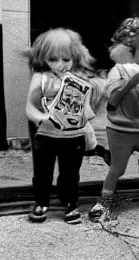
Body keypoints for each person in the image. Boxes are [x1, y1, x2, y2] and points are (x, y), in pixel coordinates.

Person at [88, 17, 139, 221]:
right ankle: (106, 200)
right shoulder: (117, 71)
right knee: (118, 167)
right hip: (121, 128)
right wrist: (130, 84)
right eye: (138, 49)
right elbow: (112, 101)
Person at [25, 28, 98, 224]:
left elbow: (86, 108)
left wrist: (90, 135)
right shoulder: (41, 78)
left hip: (73, 135)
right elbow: (30, 106)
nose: (60, 65)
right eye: (53, 59)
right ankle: (41, 201)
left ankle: (70, 201)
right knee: (42, 171)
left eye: (66, 59)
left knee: (70, 173)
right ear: (43, 58)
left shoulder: (80, 79)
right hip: (46, 134)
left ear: (76, 57)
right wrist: (40, 117)